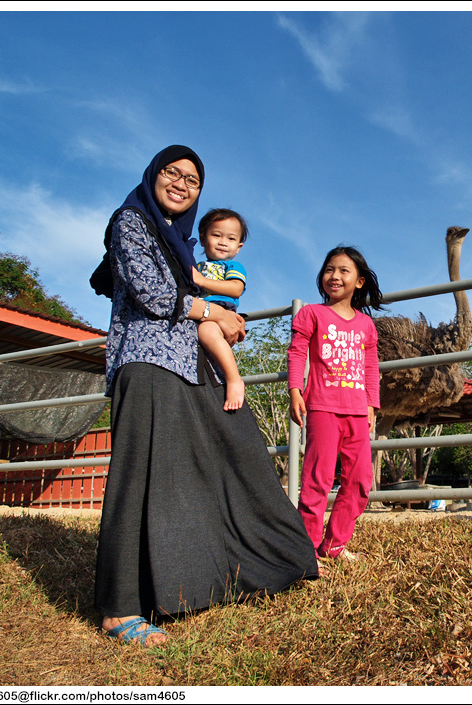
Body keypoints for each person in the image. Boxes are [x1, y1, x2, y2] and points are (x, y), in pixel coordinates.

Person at [90, 145, 319, 647]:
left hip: (187, 362)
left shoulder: (182, 243)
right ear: (152, 174)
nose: (180, 183)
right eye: (172, 172)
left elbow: (197, 291)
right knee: (137, 475)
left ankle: (255, 561)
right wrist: (216, 315)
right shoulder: (131, 221)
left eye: (192, 180)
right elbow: (153, 295)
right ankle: (117, 608)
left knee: (233, 444)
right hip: (146, 360)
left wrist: (216, 317)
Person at [288, 246, 383, 565]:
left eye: (344, 270)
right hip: (322, 408)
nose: (335, 276)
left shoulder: (366, 326)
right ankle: (307, 550)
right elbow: (297, 352)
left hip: (357, 412)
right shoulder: (312, 314)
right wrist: (295, 390)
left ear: (359, 281)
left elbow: (371, 367)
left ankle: (335, 545)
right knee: (317, 480)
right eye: (329, 269)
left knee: (359, 481)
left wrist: (372, 405)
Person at [191, 208, 250, 410]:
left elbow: (236, 289)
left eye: (231, 239)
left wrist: (201, 280)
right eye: (216, 235)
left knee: (206, 332)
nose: (223, 242)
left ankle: (234, 378)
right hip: (199, 311)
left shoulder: (233, 266)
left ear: (239, 246)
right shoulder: (196, 265)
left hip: (221, 310)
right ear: (202, 238)